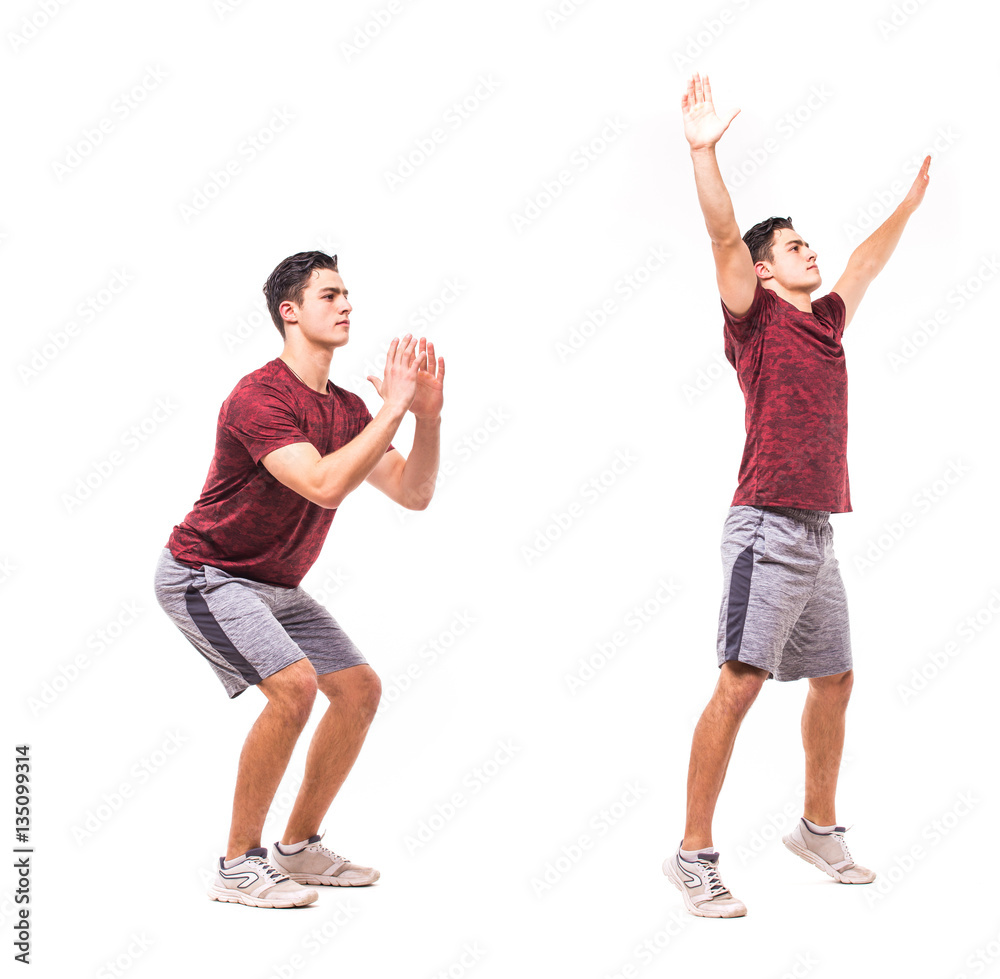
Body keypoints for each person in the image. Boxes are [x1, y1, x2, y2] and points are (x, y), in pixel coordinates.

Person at [664, 74, 930, 918]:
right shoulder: (756, 317)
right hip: (764, 531)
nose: (809, 251)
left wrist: (911, 204)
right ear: (764, 269)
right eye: (792, 246)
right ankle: (692, 854)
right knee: (740, 680)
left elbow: (866, 260)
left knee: (837, 677)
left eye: (805, 242)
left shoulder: (824, 320)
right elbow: (718, 236)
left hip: (818, 534)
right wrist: (705, 154)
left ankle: (817, 826)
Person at [154, 251, 444, 908]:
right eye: (329, 295)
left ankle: (299, 845)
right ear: (289, 311)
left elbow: (413, 491)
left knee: (359, 689)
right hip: (205, 573)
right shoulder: (259, 396)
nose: (346, 305)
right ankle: (236, 864)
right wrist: (392, 410)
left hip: (276, 585)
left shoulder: (344, 408)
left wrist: (425, 416)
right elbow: (323, 482)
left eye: (348, 295)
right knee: (295, 688)